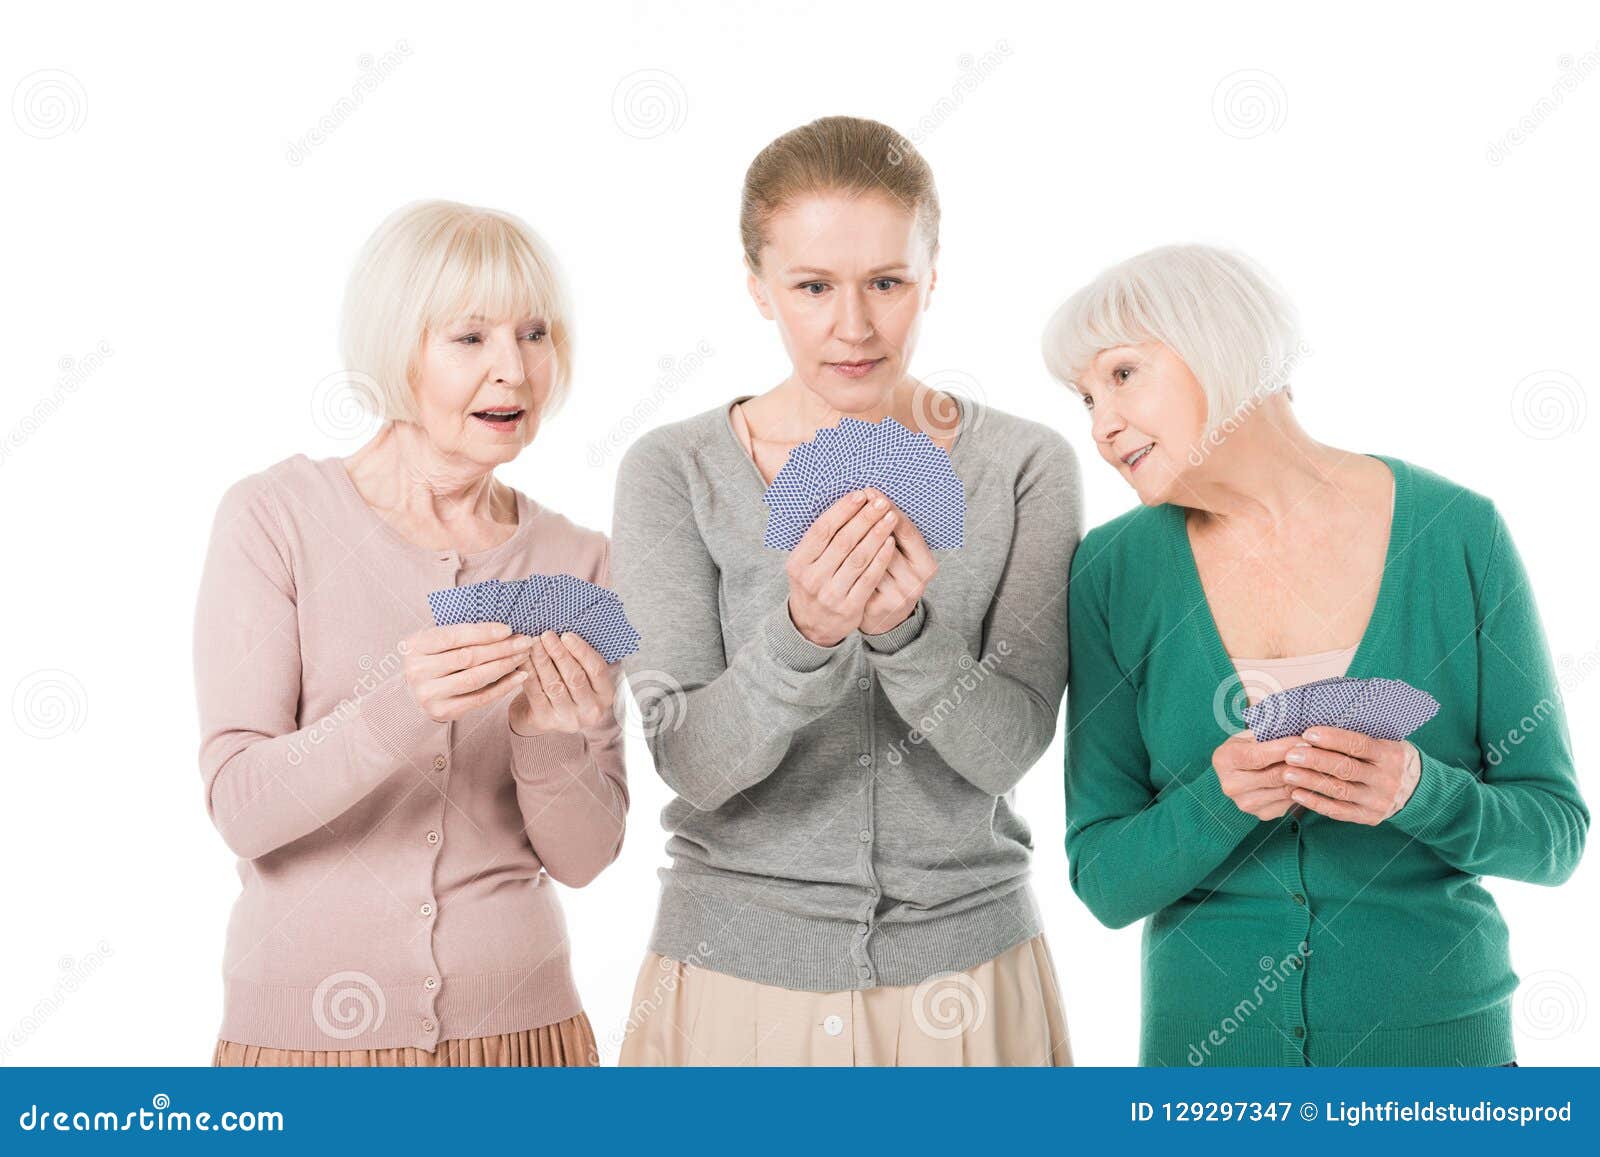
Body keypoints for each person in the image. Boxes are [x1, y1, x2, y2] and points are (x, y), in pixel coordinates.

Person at [611, 116, 1081, 1065]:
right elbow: (689, 762)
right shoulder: (675, 469)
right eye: (813, 286)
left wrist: (907, 634)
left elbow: (1008, 748)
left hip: (967, 971)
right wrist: (802, 634)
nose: (854, 326)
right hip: (732, 971)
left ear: (933, 274)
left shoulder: (1024, 464)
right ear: (758, 288)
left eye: (887, 283)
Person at [1049, 243, 1588, 1066]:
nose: (1101, 424)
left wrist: (1418, 789)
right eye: (1084, 398)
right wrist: (1216, 798)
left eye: (1122, 375)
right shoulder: (1111, 570)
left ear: (1218, 342)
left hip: (1441, 1067)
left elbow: (1555, 835)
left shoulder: (1457, 533)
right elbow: (1103, 878)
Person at [195, 200, 628, 1067]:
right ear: (399, 351)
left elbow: (586, 857)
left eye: (535, 334)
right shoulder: (274, 518)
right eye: (470, 338)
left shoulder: (579, 559)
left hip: (524, 1040)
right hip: (305, 1045)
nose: (514, 369)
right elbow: (241, 808)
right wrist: (397, 709)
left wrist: (547, 743)